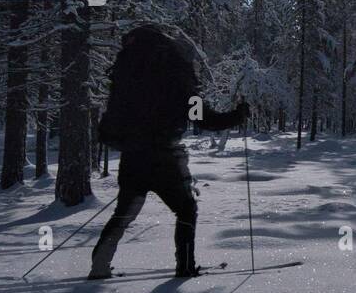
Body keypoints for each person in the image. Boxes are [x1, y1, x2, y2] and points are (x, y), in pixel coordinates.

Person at [90, 24, 247, 279]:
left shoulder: (130, 79)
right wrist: (237, 116)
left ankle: (99, 264)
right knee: (186, 209)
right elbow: (204, 119)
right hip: (164, 157)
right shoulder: (177, 80)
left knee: (124, 212)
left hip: (132, 157)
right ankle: (185, 266)